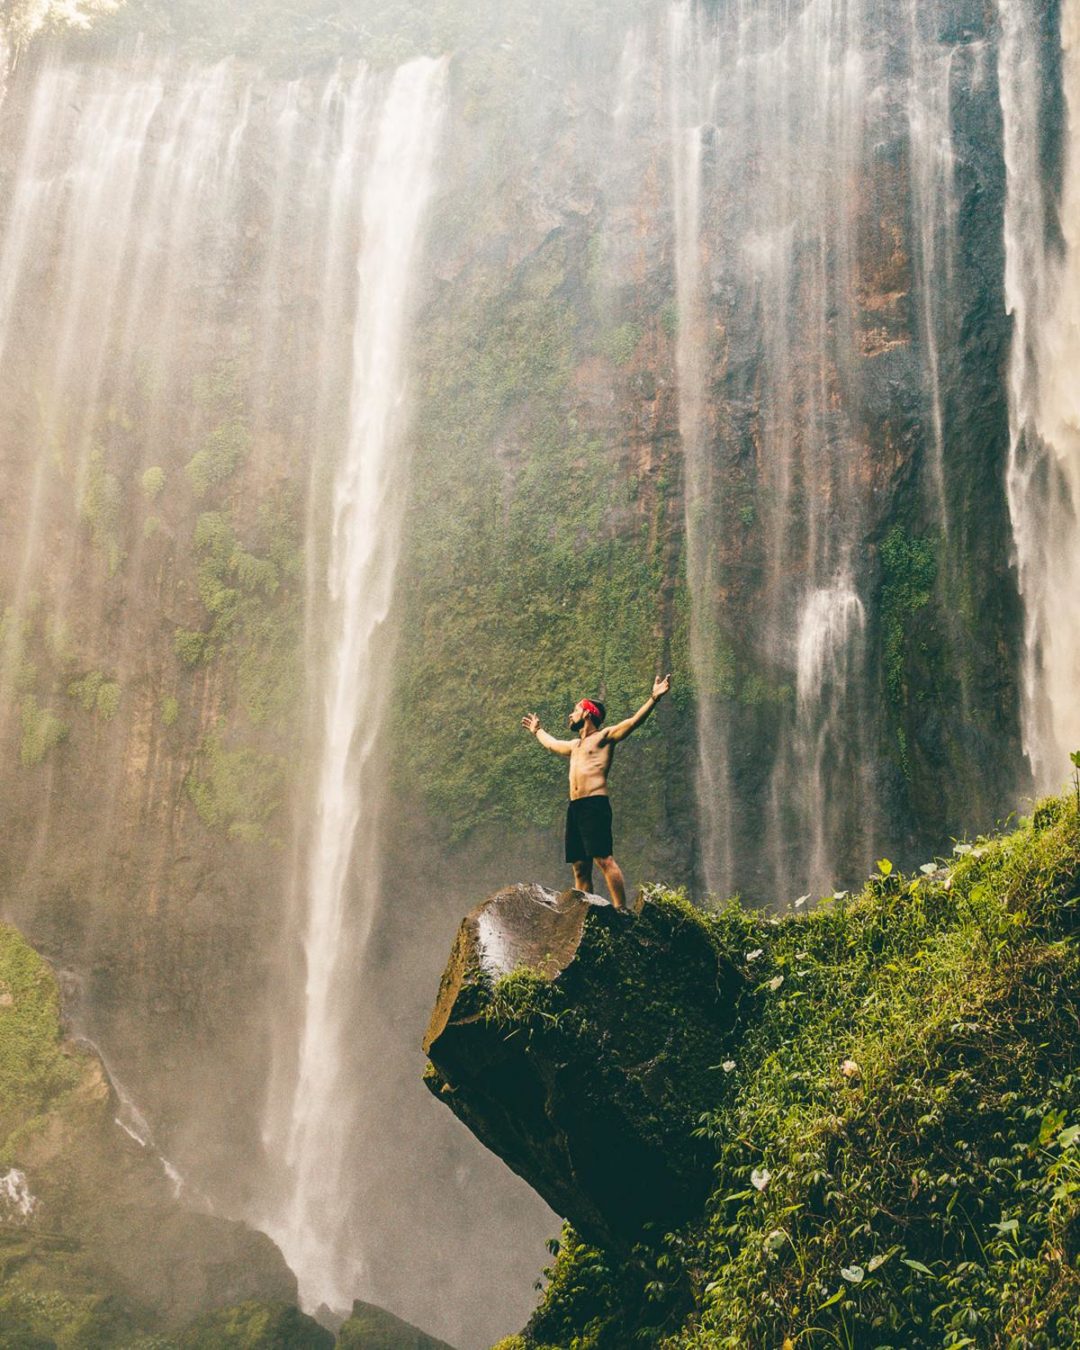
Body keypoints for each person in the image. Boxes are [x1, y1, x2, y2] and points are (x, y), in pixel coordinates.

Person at [521, 674, 672, 910]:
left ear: (588, 714)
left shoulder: (603, 737)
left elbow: (633, 723)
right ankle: (584, 913)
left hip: (595, 805)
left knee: (603, 859)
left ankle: (621, 910)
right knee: (580, 866)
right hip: (576, 808)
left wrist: (653, 698)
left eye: (575, 710)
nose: (571, 714)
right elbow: (552, 744)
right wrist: (537, 731)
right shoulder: (575, 746)